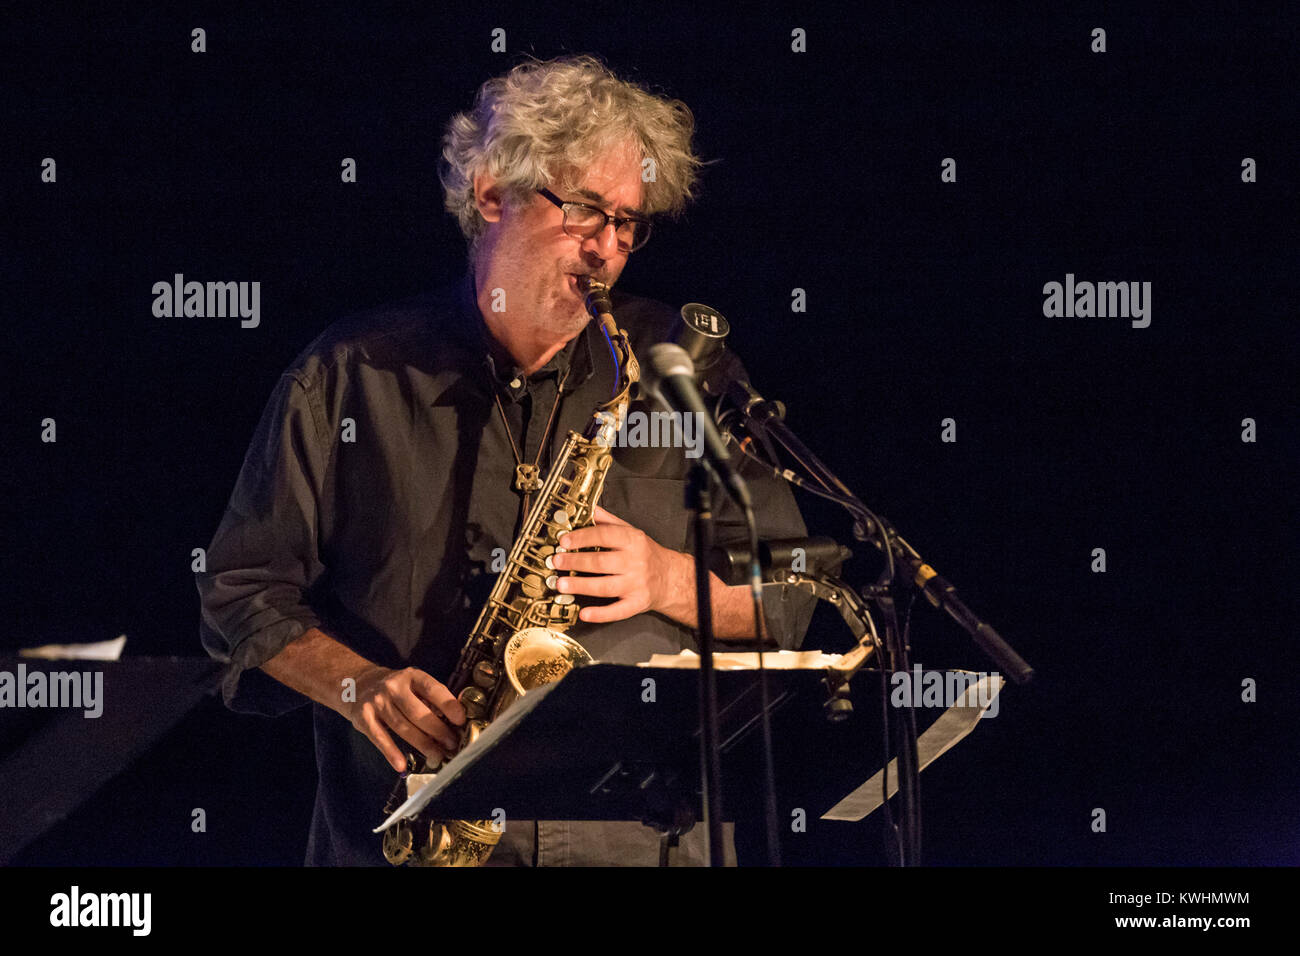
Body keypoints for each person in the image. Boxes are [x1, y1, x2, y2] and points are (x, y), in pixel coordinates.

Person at [197, 54, 815, 866]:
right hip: (407, 835)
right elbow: (238, 595)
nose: (610, 250)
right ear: (492, 191)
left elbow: (796, 588)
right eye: (587, 210)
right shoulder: (350, 375)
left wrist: (671, 580)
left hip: (639, 842)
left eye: (629, 223)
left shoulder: (678, 366)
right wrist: (359, 686)